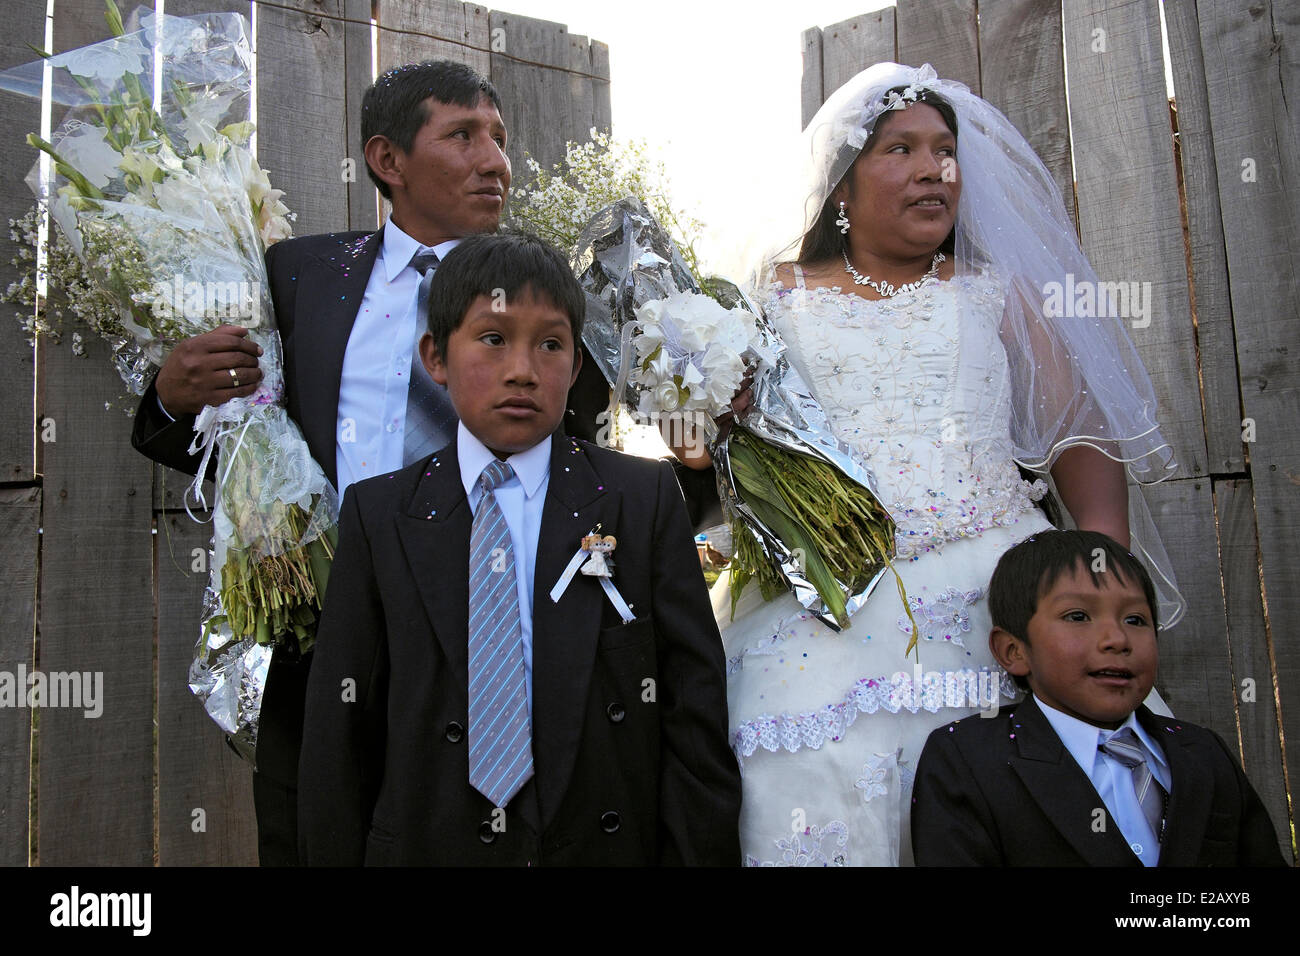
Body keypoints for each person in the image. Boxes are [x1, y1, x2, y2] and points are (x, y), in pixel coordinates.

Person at [673, 63, 1186, 866]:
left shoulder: (999, 294)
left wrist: (1102, 565)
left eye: (945, 152)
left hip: (999, 591)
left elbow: (1078, 430)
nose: (931, 170)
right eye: (900, 149)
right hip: (828, 593)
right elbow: (710, 449)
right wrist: (708, 423)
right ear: (841, 187)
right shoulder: (770, 299)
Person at [297, 232, 742, 865]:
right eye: (493, 338)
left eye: (551, 345)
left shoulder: (639, 501)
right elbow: (338, 738)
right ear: (435, 357)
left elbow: (692, 705)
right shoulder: (380, 515)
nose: (522, 370)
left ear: (577, 366)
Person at [910, 529, 1284, 866]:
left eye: (1135, 620)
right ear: (1013, 651)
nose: (1117, 640)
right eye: (1078, 616)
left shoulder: (1201, 751)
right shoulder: (967, 759)